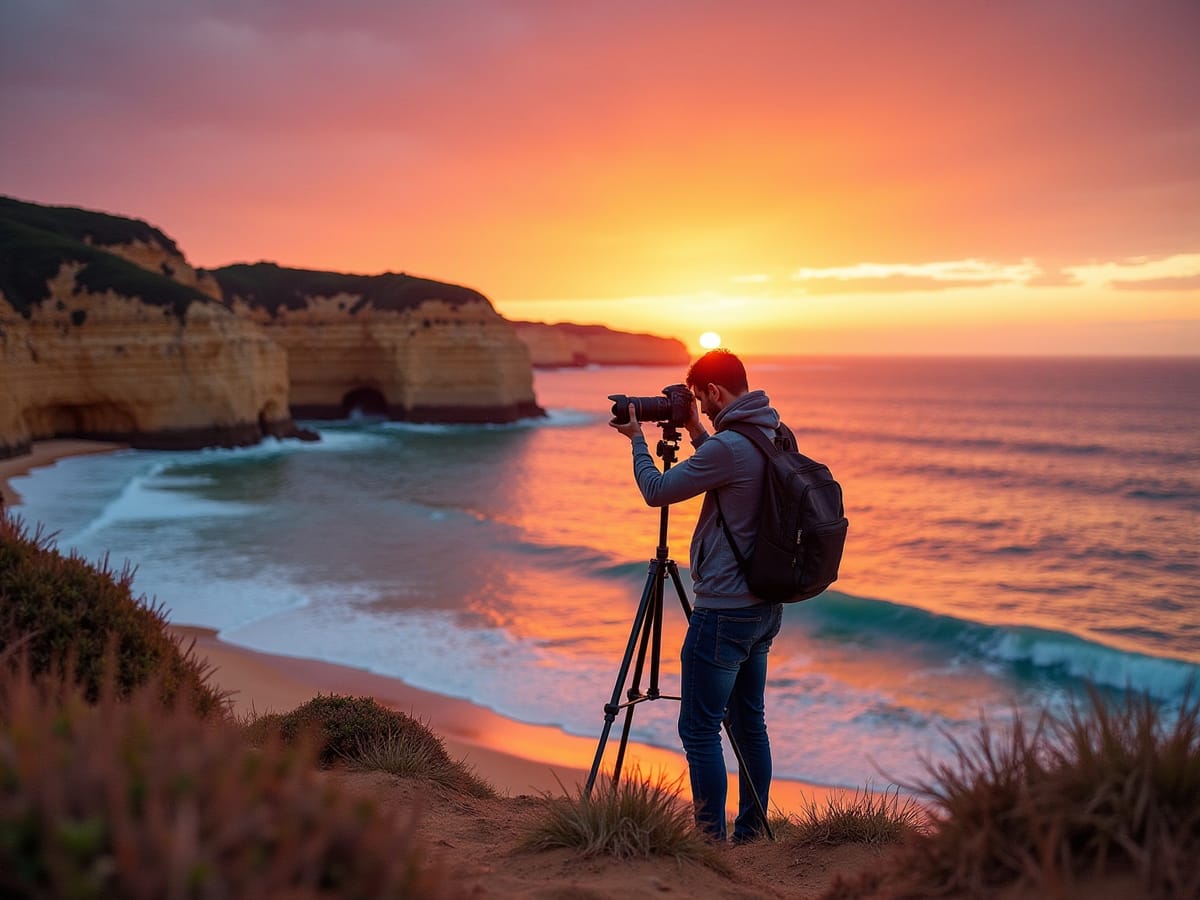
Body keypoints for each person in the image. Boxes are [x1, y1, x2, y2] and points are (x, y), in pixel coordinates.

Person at [608, 348, 786, 843]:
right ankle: (752, 834)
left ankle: (710, 842)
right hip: (763, 608)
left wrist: (636, 440)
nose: (703, 412)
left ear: (713, 391)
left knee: (700, 730)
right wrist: (694, 431)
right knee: (750, 725)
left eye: (704, 404)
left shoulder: (730, 447)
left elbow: (657, 490)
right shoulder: (769, 430)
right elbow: (727, 463)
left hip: (724, 613)